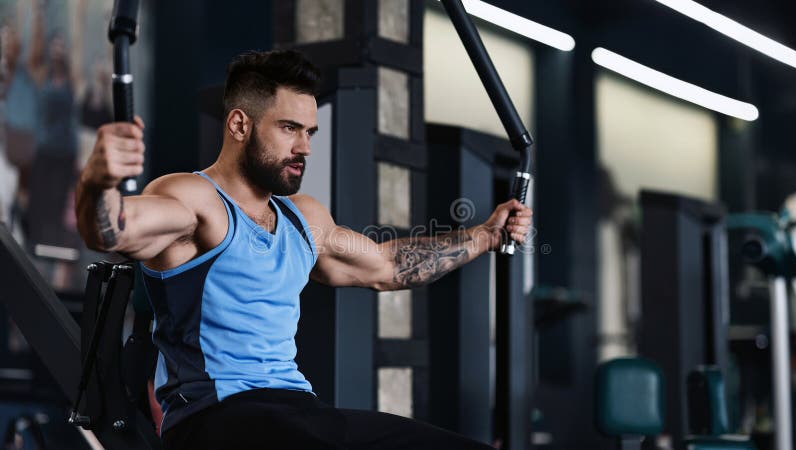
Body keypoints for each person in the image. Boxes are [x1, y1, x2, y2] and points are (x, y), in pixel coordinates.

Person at [75, 50, 532, 450]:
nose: (304, 148)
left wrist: (486, 236)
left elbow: (386, 266)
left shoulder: (302, 217)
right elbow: (113, 230)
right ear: (239, 124)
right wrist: (99, 179)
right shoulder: (196, 202)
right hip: (213, 418)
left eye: (310, 132)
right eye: (290, 128)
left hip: (297, 411)